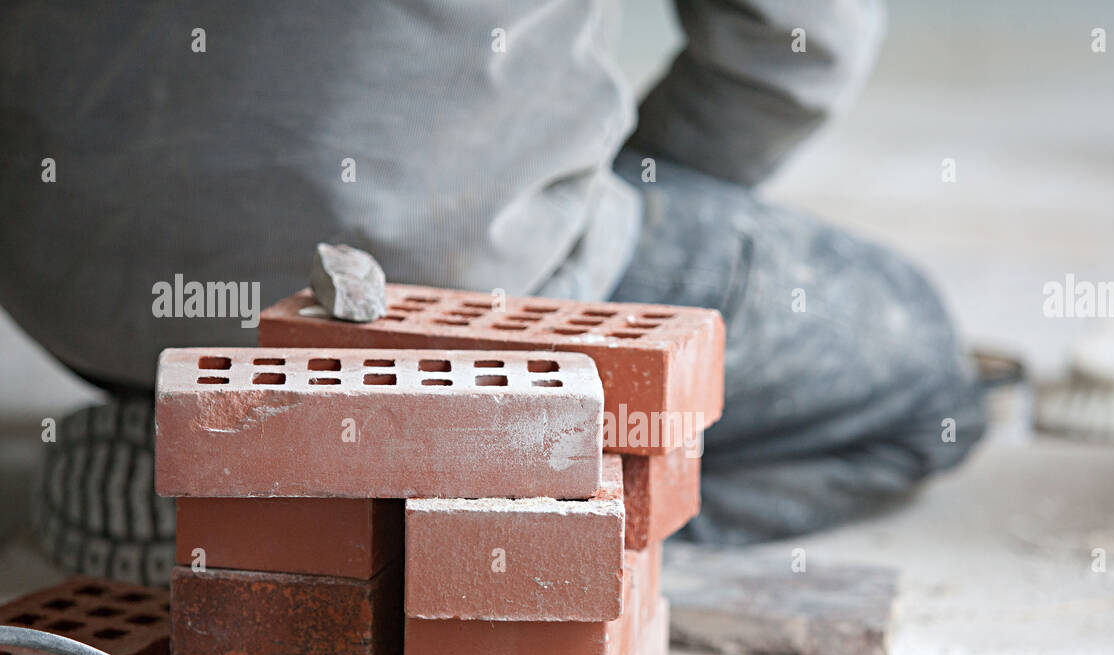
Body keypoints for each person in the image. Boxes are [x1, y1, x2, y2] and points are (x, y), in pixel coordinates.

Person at [0, 0, 984, 570]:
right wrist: (616, 194)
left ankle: (207, 459)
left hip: (70, 290)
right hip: (463, 267)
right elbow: (793, 44)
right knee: (924, 372)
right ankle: (460, 525)